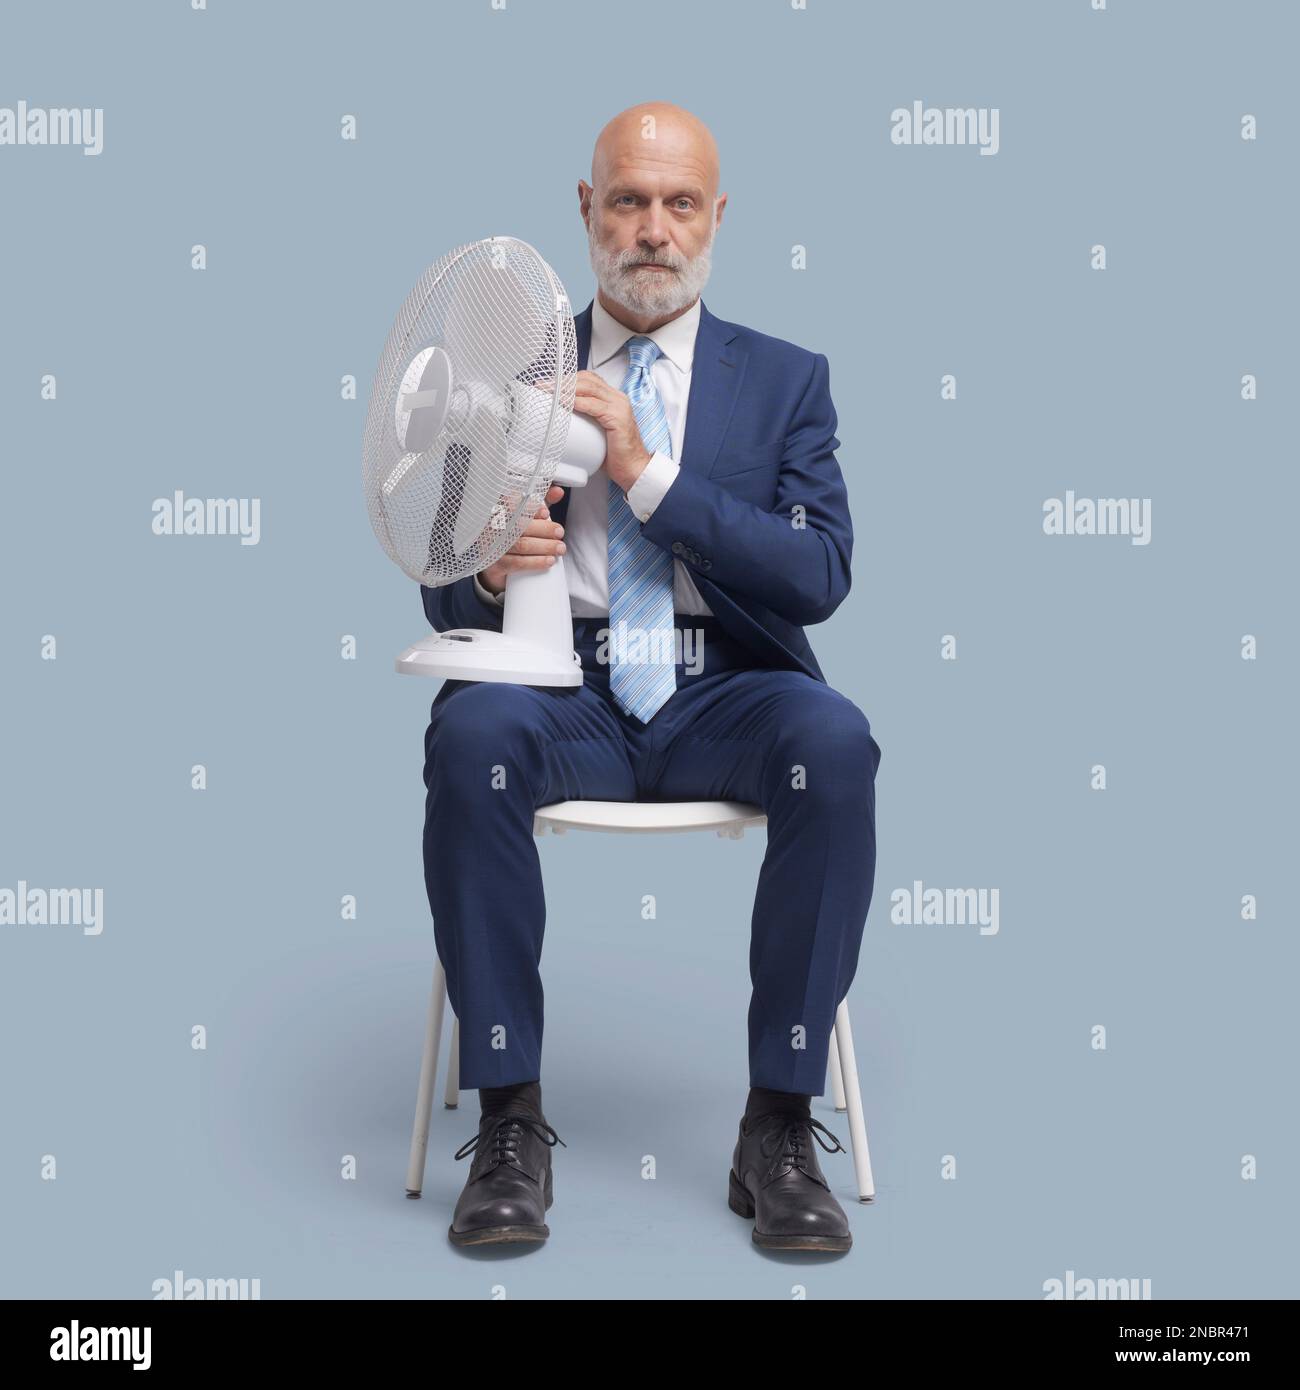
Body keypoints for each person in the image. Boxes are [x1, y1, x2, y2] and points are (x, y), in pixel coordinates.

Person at [421, 101, 881, 1253]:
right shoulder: (513, 371)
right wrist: (484, 572)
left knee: (836, 740)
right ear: (586, 211)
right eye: (628, 200)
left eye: (681, 204)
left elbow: (818, 572)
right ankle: (509, 1117)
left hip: (726, 686)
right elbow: (436, 576)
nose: (654, 230)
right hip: (554, 686)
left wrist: (645, 475)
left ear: (717, 217)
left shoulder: (785, 380)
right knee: (467, 738)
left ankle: (777, 1122)